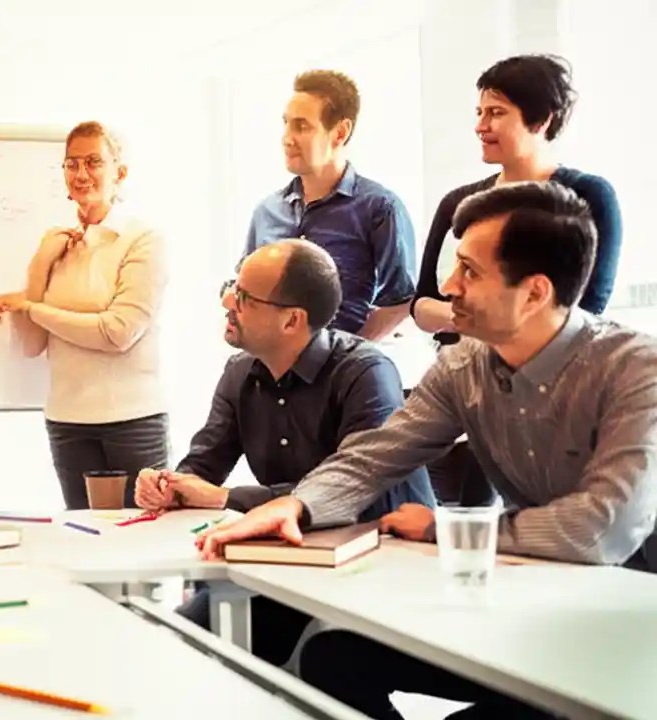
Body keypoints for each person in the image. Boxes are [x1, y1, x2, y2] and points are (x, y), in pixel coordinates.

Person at [198, 182, 657, 719]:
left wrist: (444, 529)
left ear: (534, 292)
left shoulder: (635, 369)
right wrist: (295, 505)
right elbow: (375, 455)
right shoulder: (462, 367)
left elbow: (603, 529)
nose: (446, 286)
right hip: (534, 596)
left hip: (629, 624)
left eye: (470, 272)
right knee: (332, 660)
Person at [136, 238, 433, 664]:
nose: (227, 302)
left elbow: (358, 495)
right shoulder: (240, 372)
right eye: (231, 286)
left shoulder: (365, 372)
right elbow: (203, 465)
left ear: (292, 320)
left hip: (377, 562)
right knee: (180, 637)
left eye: (243, 297)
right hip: (287, 560)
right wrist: (170, 486)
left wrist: (225, 499)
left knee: (325, 666)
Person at [0, 121, 169, 510]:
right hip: (67, 420)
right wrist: (41, 261)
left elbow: (119, 332)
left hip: (133, 420)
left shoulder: (143, 238)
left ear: (119, 172)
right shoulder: (59, 242)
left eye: (94, 162)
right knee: (84, 544)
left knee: (142, 550)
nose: (81, 174)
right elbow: (31, 345)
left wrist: (30, 307)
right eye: (71, 164)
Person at [413, 54, 621, 343]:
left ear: (542, 120)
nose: (480, 126)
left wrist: (489, 321)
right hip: (459, 369)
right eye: (479, 112)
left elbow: (589, 306)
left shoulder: (588, 195)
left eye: (496, 113)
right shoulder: (456, 202)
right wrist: (477, 317)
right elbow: (421, 305)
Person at [243, 70, 417, 341]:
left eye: (301, 126)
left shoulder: (380, 208)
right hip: (267, 371)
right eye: (286, 123)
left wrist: (349, 354)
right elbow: (244, 288)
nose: (287, 138)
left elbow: (401, 301)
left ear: (339, 132)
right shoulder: (266, 211)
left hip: (341, 375)